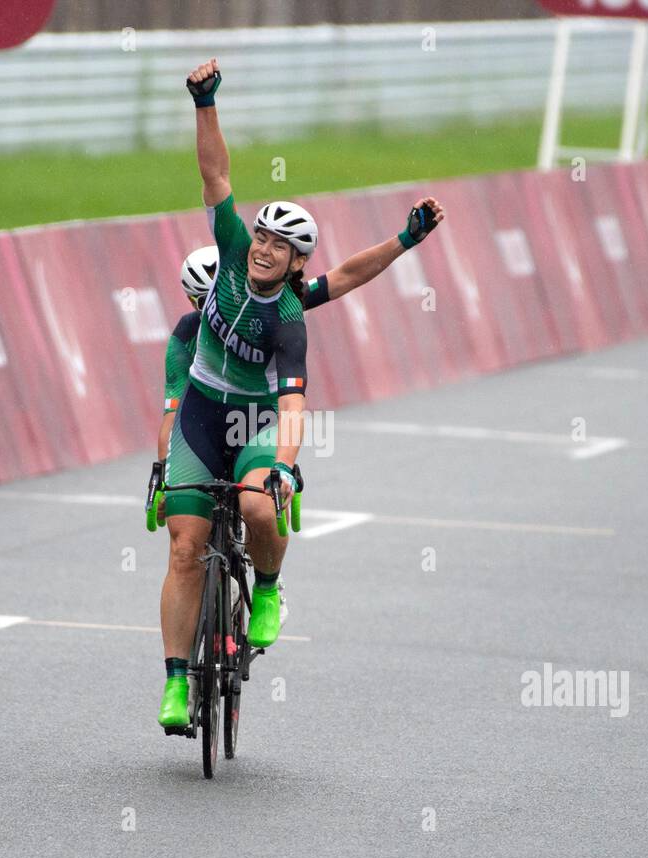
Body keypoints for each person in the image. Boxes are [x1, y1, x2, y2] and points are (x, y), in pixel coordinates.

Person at [156, 57, 444, 728]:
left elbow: (292, 403)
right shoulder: (230, 251)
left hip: (251, 425)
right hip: (202, 413)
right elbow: (217, 176)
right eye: (262, 234)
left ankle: (269, 590)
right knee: (182, 544)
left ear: (294, 264)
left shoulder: (290, 316)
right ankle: (174, 684)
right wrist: (205, 104)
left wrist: (283, 465)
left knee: (259, 509)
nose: (262, 247)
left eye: (279, 245)